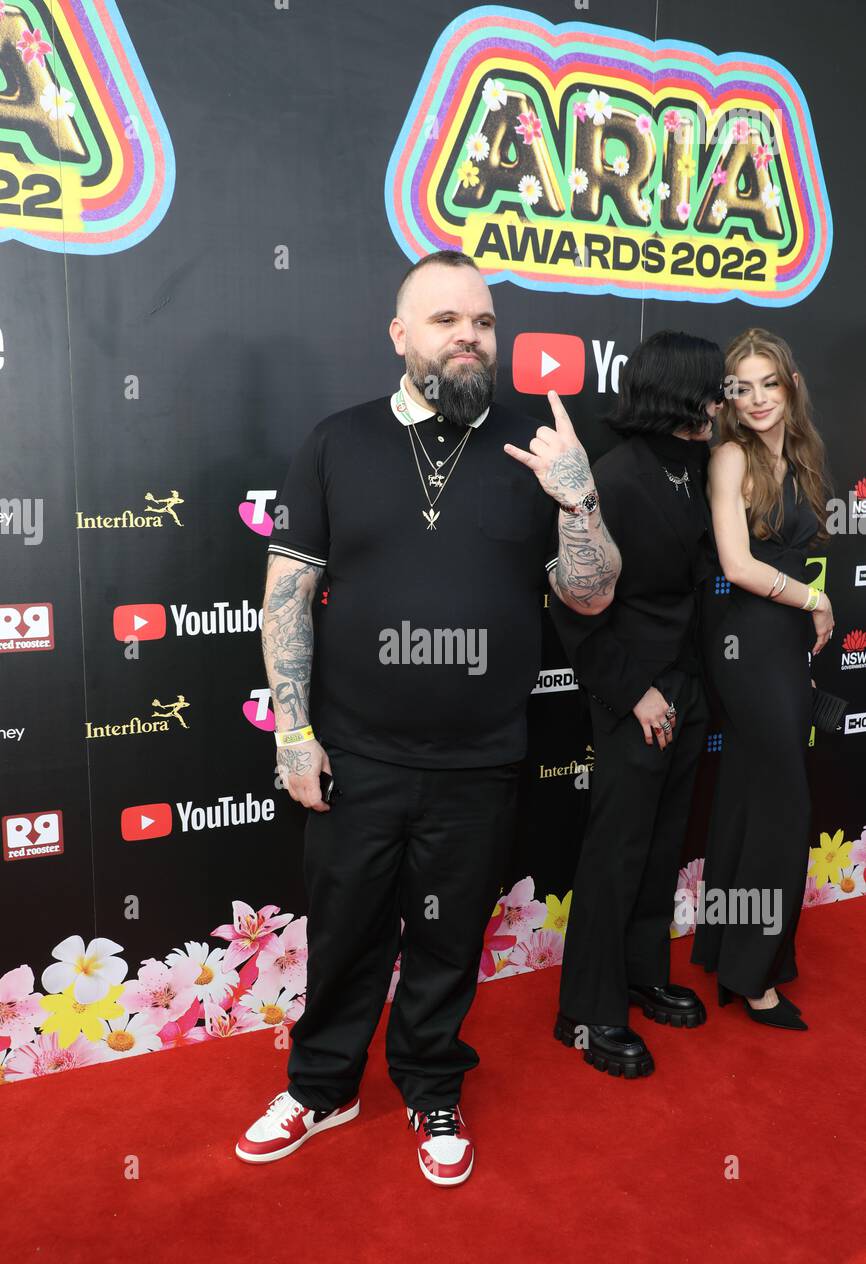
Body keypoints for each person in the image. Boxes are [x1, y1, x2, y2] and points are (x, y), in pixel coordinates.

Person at [235, 250, 621, 1184]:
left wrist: (578, 495)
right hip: (356, 755)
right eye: (447, 321)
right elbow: (287, 596)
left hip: (481, 759)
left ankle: (431, 1083)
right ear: (402, 335)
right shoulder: (337, 441)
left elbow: (595, 596)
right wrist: (294, 733)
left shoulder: (541, 446)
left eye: (484, 322)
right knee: (346, 934)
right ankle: (323, 1086)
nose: (469, 338)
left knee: (449, 939)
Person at [549, 330, 724, 1079]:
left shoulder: (706, 468)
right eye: (714, 387)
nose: (724, 402)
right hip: (632, 692)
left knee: (661, 844)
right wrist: (634, 693)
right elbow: (571, 608)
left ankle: (643, 973)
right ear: (684, 392)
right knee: (617, 849)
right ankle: (586, 1013)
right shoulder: (613, 477)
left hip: (687, 687)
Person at [691, 328, 833, 1029]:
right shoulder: (728, 458)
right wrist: (816, 599)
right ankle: (755, 975)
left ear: (791, 385)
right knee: (782, 809)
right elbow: (738, 565)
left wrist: (801, 614)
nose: (755, 399)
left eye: (767, 383)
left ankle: (732, 950)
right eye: (740, 386)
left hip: (780, 640)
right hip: (746, 641)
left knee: (749, 797)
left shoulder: (799, 455)